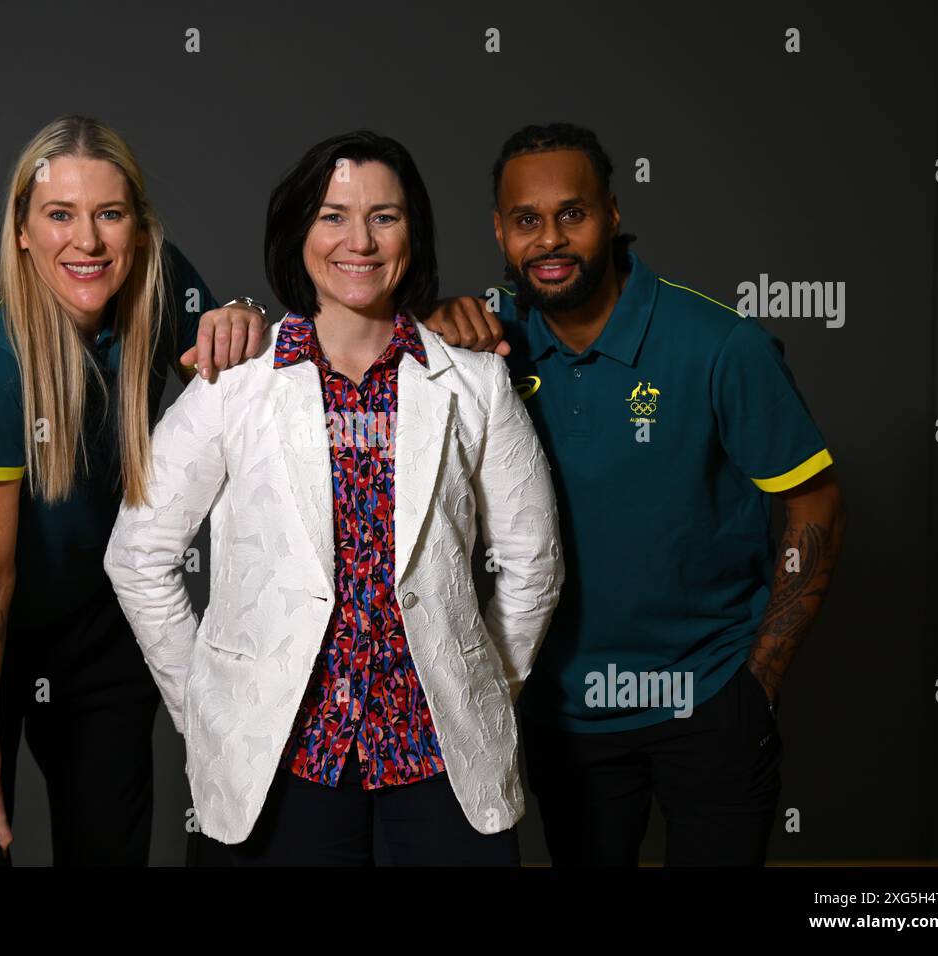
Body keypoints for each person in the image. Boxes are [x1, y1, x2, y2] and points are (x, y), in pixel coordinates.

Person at [103, 130, 563, 866]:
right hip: (278, 762)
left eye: (385, 216)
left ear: (414, 231)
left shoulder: (473, 381)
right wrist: (212, 708)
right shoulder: (235, 379)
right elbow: (139, 554)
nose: (361, 240)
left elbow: (531, 562)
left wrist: (477, 688)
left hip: (440, 762)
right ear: (299, 232)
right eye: (333, 215)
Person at [424, 122, 847, 866]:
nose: (550, 239)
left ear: (612, 214)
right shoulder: (484, 348)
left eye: (573, 214)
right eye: (527, 220)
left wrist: (758, 683)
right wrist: (429, 326)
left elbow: (816, 504)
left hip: (710, 697)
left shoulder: (721, 346)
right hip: (566, 714)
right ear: (499, 231)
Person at [0, 115, 269, 866]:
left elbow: (247, 409)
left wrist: (243, 319)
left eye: (109, 215)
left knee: (109, 849)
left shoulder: (162, 277)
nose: (86, 242)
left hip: (90, 616)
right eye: (59, 215)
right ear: (22, 230)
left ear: (139, 229)